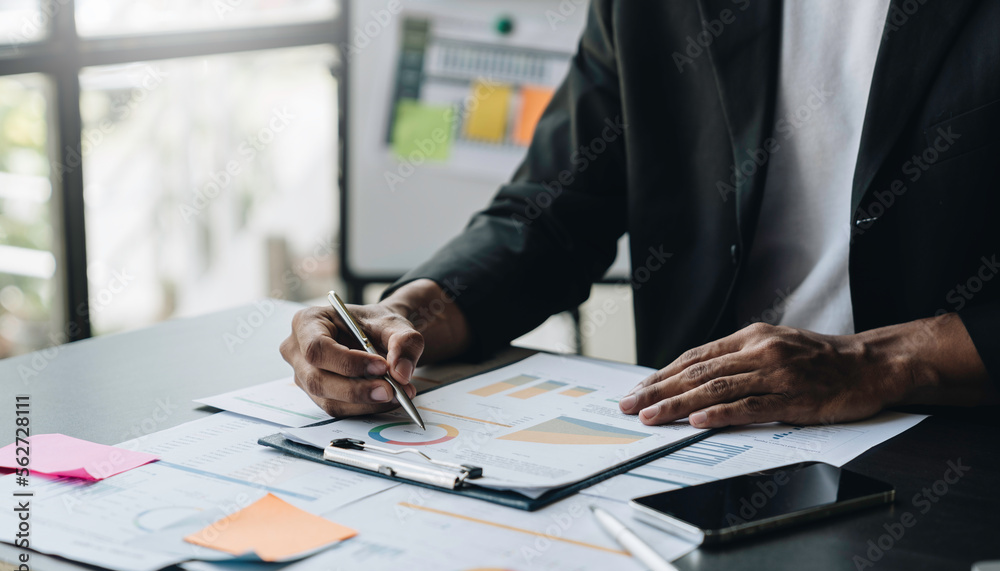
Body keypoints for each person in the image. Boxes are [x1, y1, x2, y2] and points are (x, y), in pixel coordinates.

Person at [282, 0, 999, 428]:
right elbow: (554, 213)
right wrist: (404, 317)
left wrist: (884, 361)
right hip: (693, 443)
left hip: (952, 459)